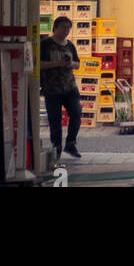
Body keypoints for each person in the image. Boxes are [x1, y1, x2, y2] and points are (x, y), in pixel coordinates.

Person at [39, 15, 83, 159]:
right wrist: (57, 64)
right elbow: (38, 64)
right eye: (64, 27)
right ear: (55, 28)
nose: (66, 30)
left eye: (69, 27)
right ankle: (56, 147)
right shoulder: (45, 44)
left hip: (70, 87)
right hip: (51, 89)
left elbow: (78, 63)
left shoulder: (70, 45)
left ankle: (71, 143)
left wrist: (70, 64)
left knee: (76, 114)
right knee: (55, 120)